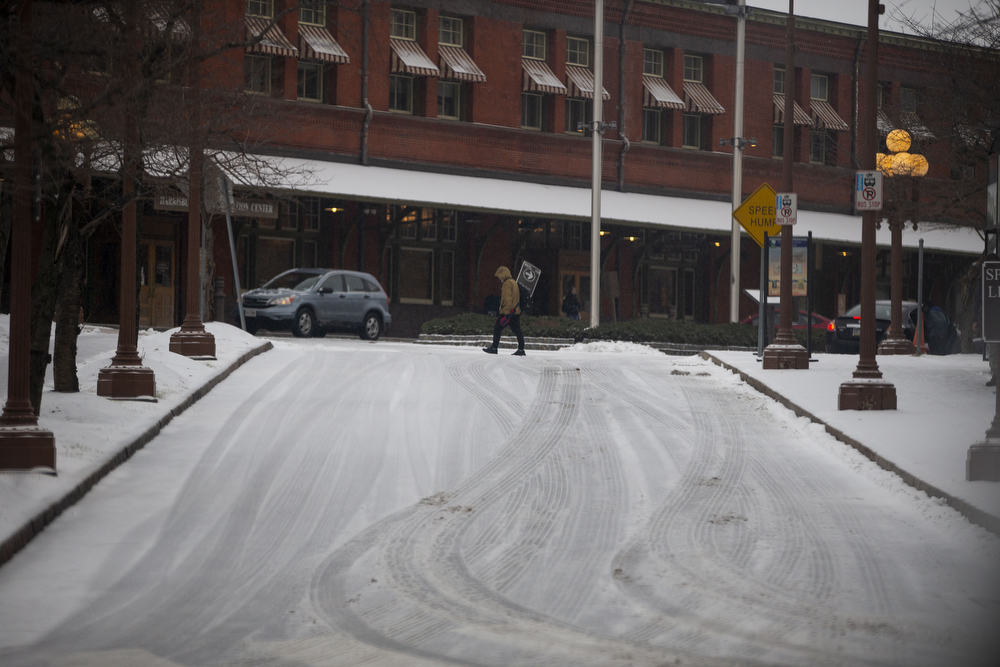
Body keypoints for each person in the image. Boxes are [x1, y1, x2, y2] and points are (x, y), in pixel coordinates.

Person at [483, 266, 525, 356]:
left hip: (508, 311)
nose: (499, 278)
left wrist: (506, 313)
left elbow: (507, 299)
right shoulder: (514, 282)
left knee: (497, 328)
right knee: (517, 330)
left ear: (503, 274)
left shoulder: (507, 284)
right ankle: (521, 349)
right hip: (516, 311)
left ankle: (494, 348)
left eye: (499, 276)